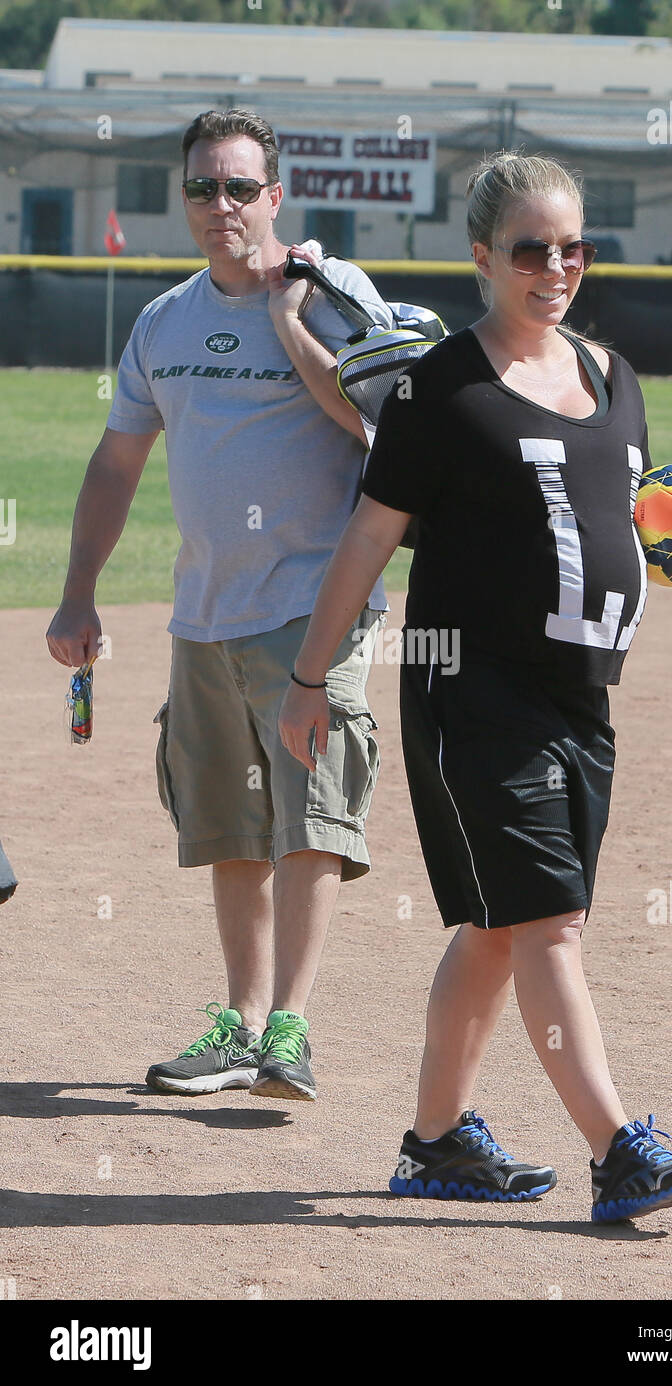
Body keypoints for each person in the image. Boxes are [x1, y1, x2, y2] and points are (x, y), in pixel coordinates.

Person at [276, 151, 672, 1221]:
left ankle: (435, 1144)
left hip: (579, 699)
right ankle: (619, 1153)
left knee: (502, 926)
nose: (556, 267)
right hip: (473, 692)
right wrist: (309, 677)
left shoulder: (610, 373)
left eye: (573, 248)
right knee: (550, 921)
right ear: (481, 257)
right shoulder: (440, 390)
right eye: (530, 250)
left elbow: (625, 520)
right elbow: (367, 538)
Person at [46, 109, 392, 1104]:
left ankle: (290, 1028)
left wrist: (289, 324)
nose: (221, 205)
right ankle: (239, 1025)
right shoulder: (163, 321)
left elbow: (380, 429)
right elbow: (116, 463)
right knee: (232, 825)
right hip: (203, 615)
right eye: (203, 187)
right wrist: (77, 592)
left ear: (275, 196)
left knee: (311, 813)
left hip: (313, 604)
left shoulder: (334, 293)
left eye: (240, 187)